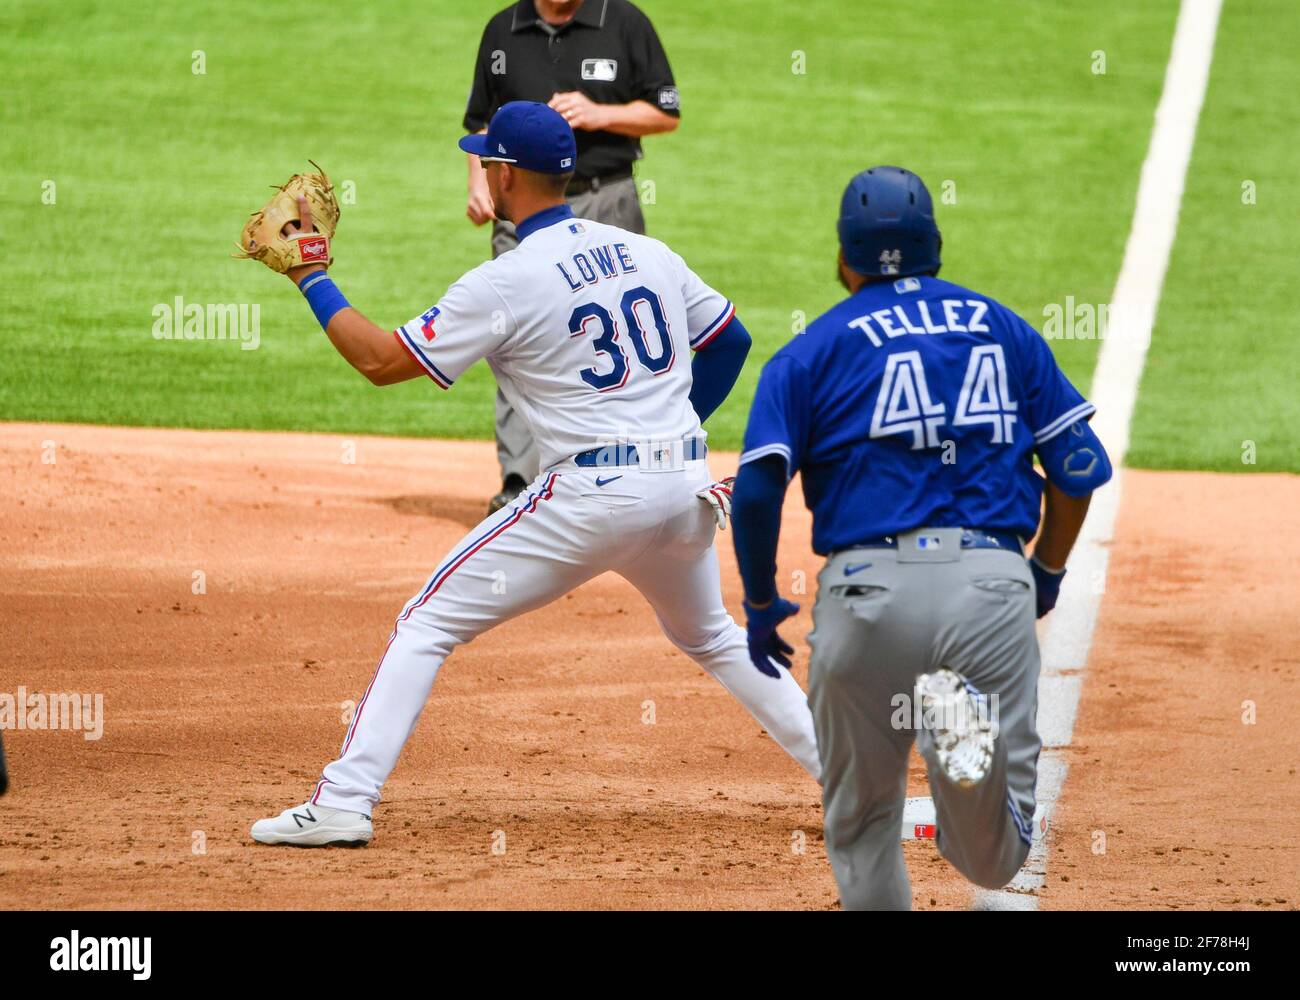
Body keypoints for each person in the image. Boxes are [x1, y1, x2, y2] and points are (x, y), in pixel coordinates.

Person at [248, 102, 819, 848]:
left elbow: (381, 361)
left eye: (488, 160)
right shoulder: (645, 251)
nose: (484, 170)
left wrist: (312, 276)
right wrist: (668, 426)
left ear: (507, 176)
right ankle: (858, 787)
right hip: (686, 492)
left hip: (592, 501)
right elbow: (731, 339)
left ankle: (344, 801)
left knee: (428, 622)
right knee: (712, 636)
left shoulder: (505, 281)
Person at [730, 166, 1113, 909]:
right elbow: (1078, 468)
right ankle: (959, 753)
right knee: (995, 861)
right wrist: (1045, 573)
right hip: (989, 585)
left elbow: (755, 490)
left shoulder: (809, 351)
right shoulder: (1003, 328)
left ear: (843, 257)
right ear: (935, 246)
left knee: (862, 825)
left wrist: (760, 600)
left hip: (864, 595)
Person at [463, 0, 682, 514]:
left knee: (612, 334)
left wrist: (601, 113)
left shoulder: (625, 23)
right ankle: (519, 482)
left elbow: (666, 112)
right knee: (514, 338)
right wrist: (478, 182)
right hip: (520, 208)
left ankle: (620, 469)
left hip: (607, 200)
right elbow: (480, 122)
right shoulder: (502, 29)